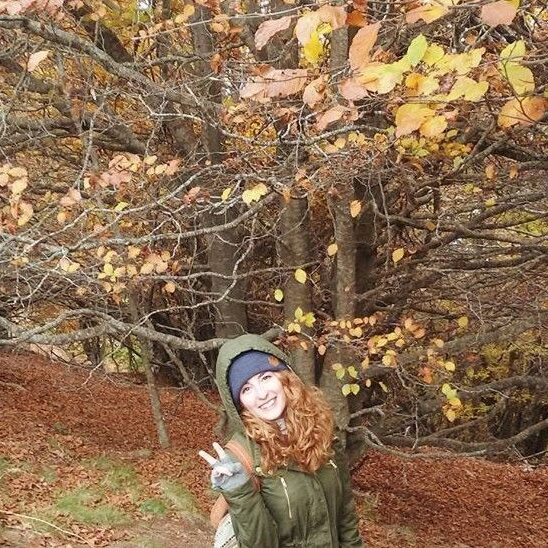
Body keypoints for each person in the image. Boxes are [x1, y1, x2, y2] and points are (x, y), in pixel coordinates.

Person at [199, 334, 364, 548]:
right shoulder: (240, 458)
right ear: (239, 403)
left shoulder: (322, 430)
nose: (261, 394)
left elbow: (346, 517)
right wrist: (240, 492)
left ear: (284, 377)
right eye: (246, 389)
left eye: (265, 377)